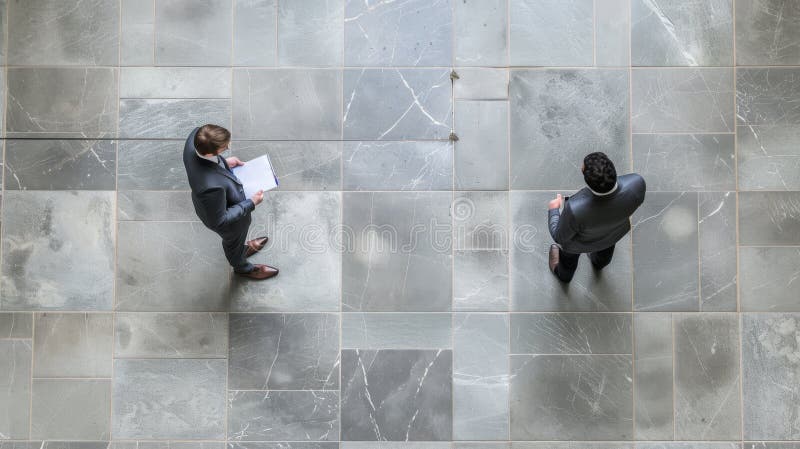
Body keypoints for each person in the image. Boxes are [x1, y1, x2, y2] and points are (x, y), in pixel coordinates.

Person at [183, 124, 278, 280]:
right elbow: (220, 220)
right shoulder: (209, 187)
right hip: (228, 221)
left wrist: (224, 163)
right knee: (233, 242)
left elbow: (209, 164)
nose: (228, 146)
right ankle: (242, 267)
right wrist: (251, 203)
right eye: (224, 148)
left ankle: (243, 248)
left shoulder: (194, 139)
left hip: (218, 197)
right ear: (208, 153)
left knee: (239, 242)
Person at [547, 152, 646, 283]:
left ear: (587, 180)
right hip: (613, 234)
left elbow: (559, 237)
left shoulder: (575, 208)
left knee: (568, 261)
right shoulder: (637, 182)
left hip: (578, 245)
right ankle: (598, 264)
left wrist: (553, 210)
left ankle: (564, 276)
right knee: (605, 251)